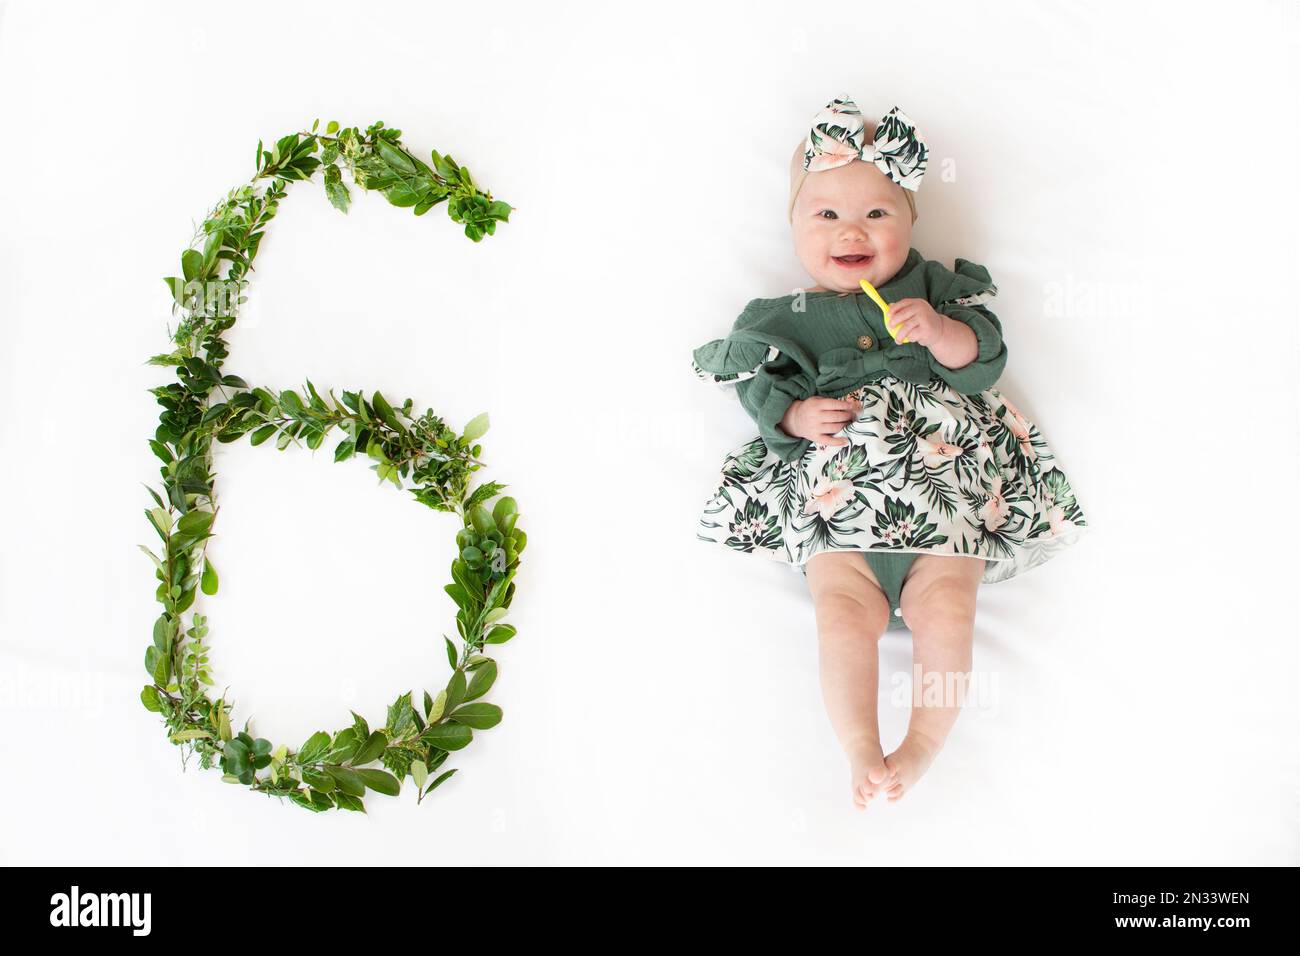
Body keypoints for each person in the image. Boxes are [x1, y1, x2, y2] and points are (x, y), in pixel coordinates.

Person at [692, 94, 1089, 809]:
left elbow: (984, 361)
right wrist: (793, 412)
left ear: (909, 223)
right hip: (839, 508)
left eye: (877, 213)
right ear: (793, 229)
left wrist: (940, 332)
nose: (853, 230)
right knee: (842, 618)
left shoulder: (936, 289)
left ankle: (926, 741)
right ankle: (857, 745)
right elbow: (759, 396)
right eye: (827, 215)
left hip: (943, 499)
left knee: (948, 614)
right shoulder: (783, 316)